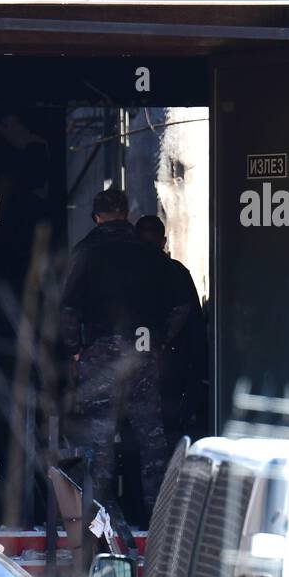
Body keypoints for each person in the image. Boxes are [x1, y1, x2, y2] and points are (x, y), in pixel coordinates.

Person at [59, 189, 175, 519]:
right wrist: (160, 339)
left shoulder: (85, 253)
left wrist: (75, 351)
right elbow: (176, 304)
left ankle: (99, 521)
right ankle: (159, 521)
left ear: (96, 216)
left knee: (99, 442)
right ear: (126, 214)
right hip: (143, 354)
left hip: (100, 355)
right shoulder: (148, 253)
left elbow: (68, 309)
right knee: (152, 439)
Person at [135, 215, 208, 443]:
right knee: (166, 432)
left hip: (135, 363)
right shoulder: (176, 272)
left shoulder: (125, 272)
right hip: (171, 363)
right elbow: (194, 325)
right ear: (164, 241)